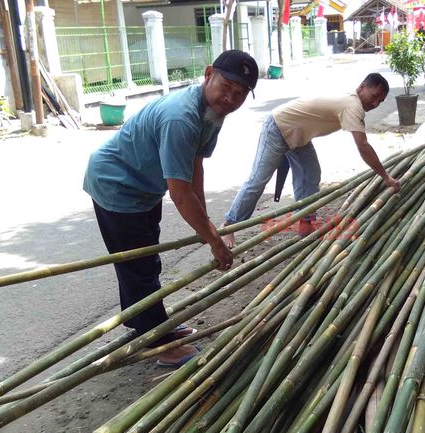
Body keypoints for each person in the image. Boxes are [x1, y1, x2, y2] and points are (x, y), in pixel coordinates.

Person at [83, 50, 258, 367]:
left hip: (144, 186)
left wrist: (206, 224)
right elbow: (180, 193)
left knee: (143, 260)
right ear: (209, 74)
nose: (231, 98)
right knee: (139, 266)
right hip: (117, 184)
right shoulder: (181, 117)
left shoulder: (212, 112)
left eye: (240, 93)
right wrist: (214, 241)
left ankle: (145, 323)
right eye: (227, 86)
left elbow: (195, 166)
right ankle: (158, 343)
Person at [221, 73, 401, 248]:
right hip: (278, 127)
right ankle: (229, 225)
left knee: (310, 173)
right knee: (258, 180)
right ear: (362, 87)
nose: (375, 103)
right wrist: (386, 177)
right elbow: (363, 146)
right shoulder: (353, 106)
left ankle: (305, 224)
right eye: (374, 96)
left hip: (299, 135)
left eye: (380, 101)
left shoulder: (352, 101)